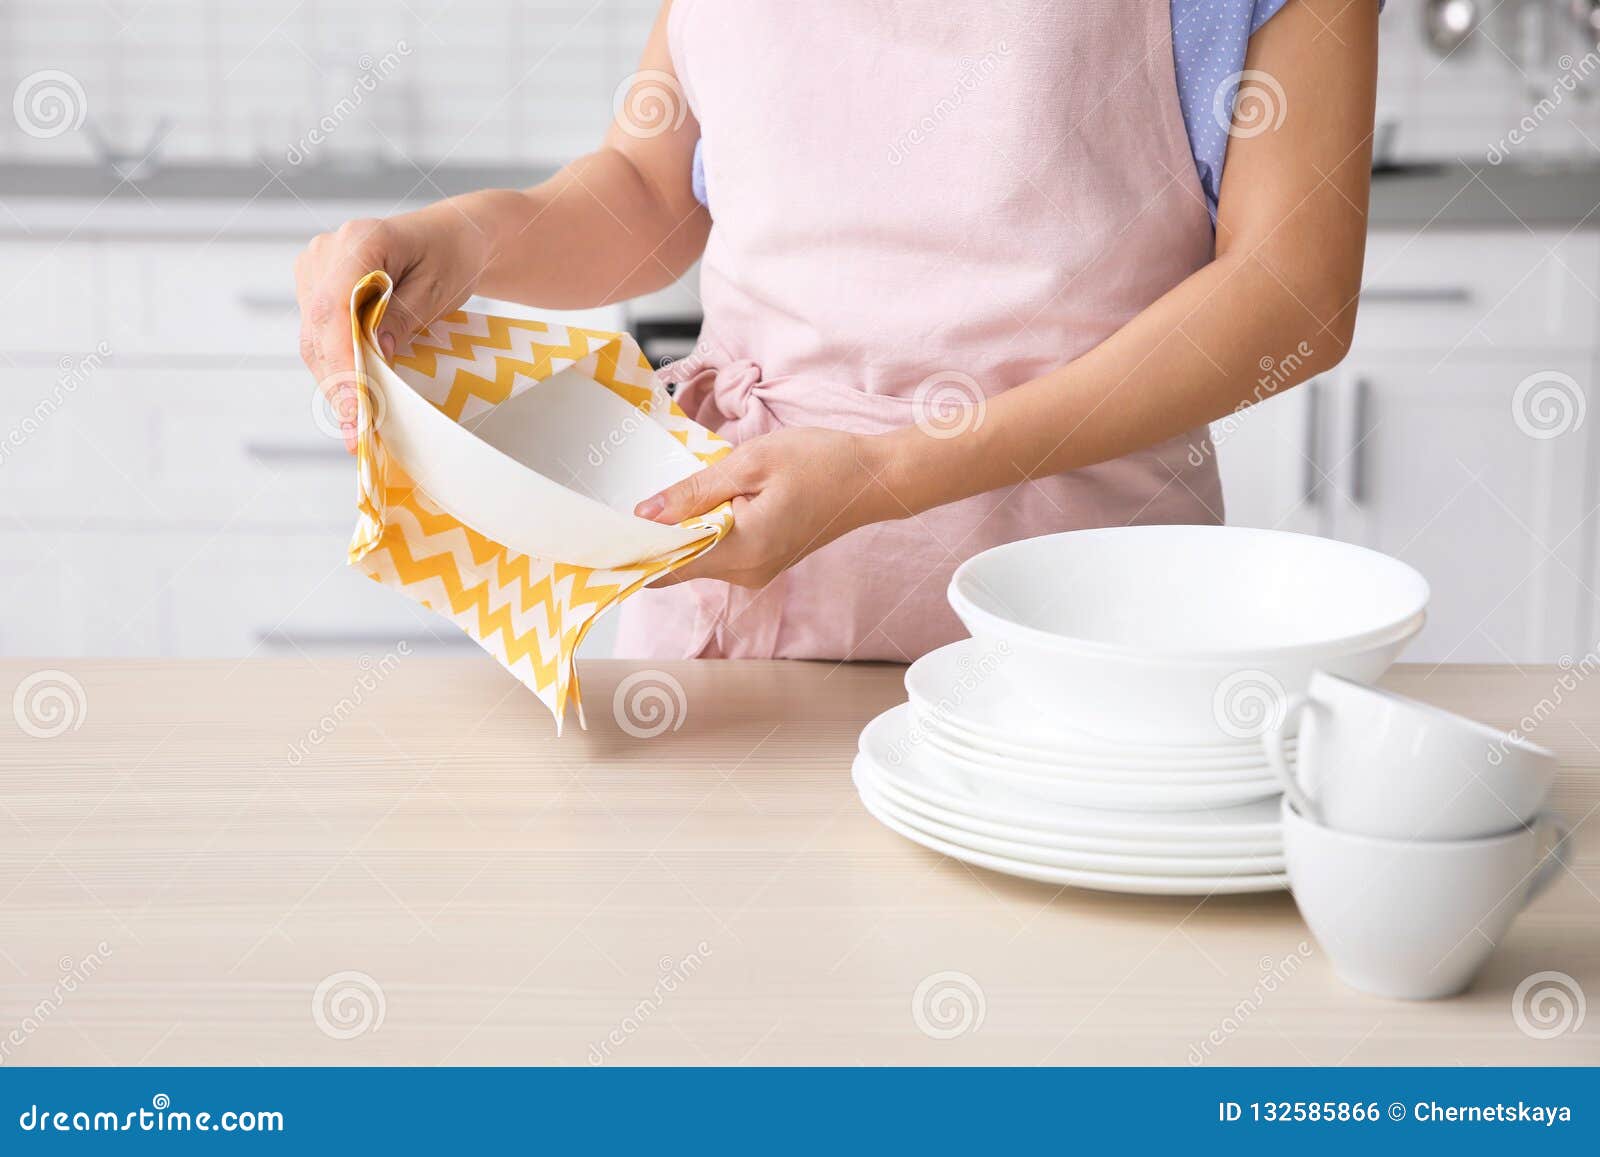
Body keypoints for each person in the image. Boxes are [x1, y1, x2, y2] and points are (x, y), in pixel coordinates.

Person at [294, 0, 1379, 661]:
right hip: (731, 606)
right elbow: (647, 189)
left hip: (1076, 615)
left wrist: (887, 474)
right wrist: (462, 238)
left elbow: (1293, 290)